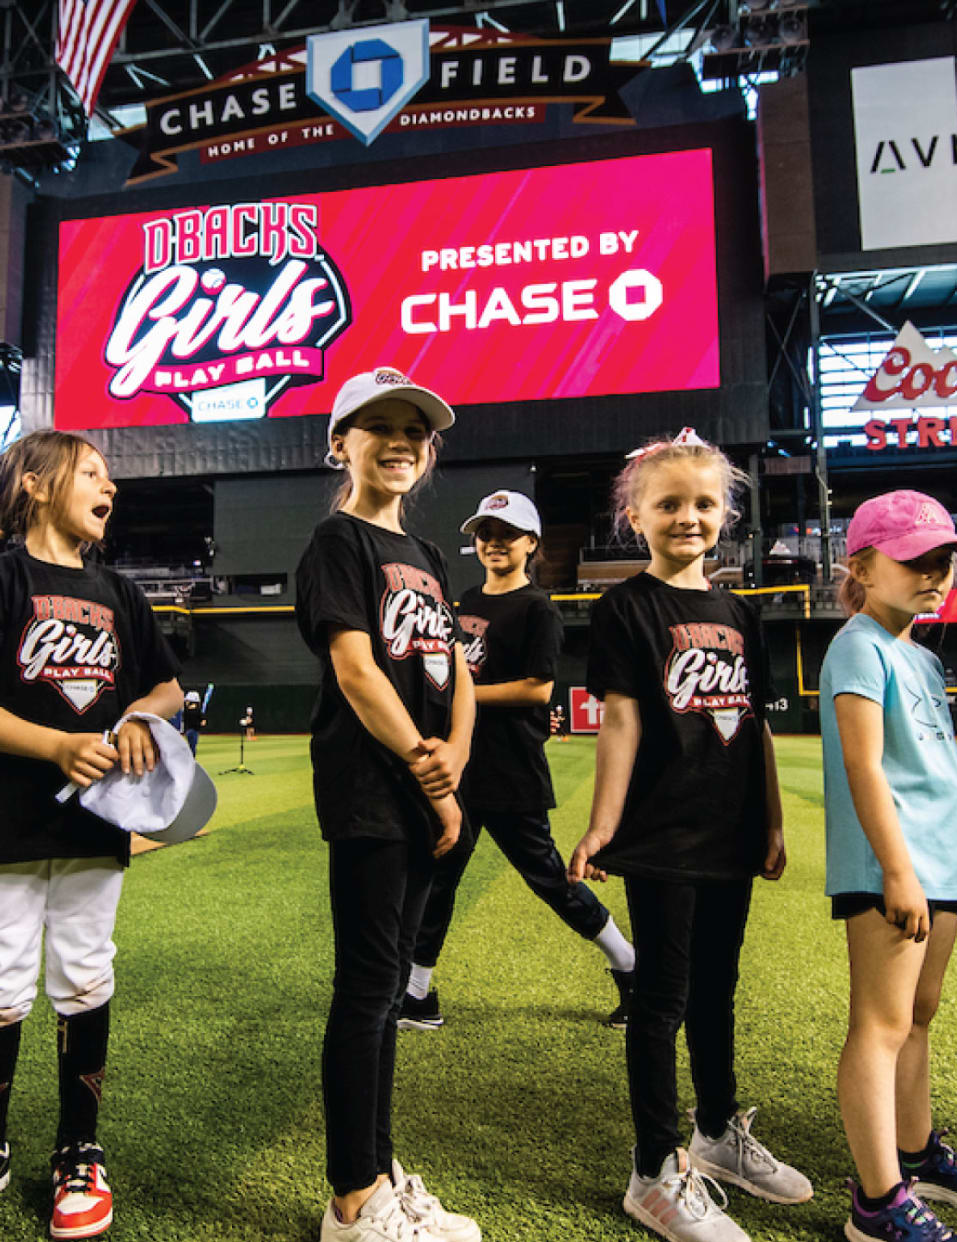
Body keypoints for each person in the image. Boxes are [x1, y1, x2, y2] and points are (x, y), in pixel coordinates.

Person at [0, 430, 183, 1241]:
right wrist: (59, 746)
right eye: (91, 472)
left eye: (108, 476)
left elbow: (167, 687)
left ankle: (78, 1150)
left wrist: (138, 717)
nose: (109, 487)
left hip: (98, 817)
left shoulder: (118, 591)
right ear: (35, 482)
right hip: (4, 815)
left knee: (86, 972)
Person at [566, 428, 807, 1242]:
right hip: (663, 832)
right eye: (668, 504)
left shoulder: (740, 611)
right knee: (661, 1000)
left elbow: (757, 725)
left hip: (730, 830)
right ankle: (653, 1170)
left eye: (704, 503)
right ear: (635, 516)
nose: (688, 517)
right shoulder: (625, 607)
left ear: (725, 514)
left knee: (717, 990)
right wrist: (603, 826)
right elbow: (622, 721)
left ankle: (716, 1134)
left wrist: (772, 818)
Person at [295, 367, 480, 1242]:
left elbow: (457, 669)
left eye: (416, 430)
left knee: (391, 993)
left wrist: (457, 758)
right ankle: (351, 1200)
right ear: (343, 443)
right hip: (373, 790)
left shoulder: (430, 557)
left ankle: (380, 1176)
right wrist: (425, 768)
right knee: (367, 992)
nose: (402, 441)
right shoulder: (339, 542)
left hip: (421, 787)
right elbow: (357, 670)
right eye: (380, 426)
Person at [824, 491, 957, 1242]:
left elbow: (941, 769)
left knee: (917, 1015)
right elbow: (865, 766)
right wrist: (898, 870)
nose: (935, 575)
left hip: (939, 864)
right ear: (863, 568)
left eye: (944, 562)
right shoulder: (858, 646)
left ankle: (917, 1155)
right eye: (915, 561)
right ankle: (877, 1202)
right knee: (880, 1024)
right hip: (895, 865)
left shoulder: (923, 655)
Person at [400, 489, 636, 1033]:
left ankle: (629, 963)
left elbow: (538, 689)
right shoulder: (464, 601)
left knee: (549, 878)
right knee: (438, 876)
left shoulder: (537, 608)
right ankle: (416, 995)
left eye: (507, 534)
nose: (494, 543)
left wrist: (459, 696)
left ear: (531, 543)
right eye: (486, 534)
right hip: (462, 765)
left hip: (509, 769)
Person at [179, 690, 205, 755]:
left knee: (191, 747)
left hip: (188, 730)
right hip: (194, 731)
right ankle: (191, 759)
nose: (186, 702)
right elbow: (203, 722)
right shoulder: (198, 711)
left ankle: (190, 758)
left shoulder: (185, 711)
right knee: (192, 747)